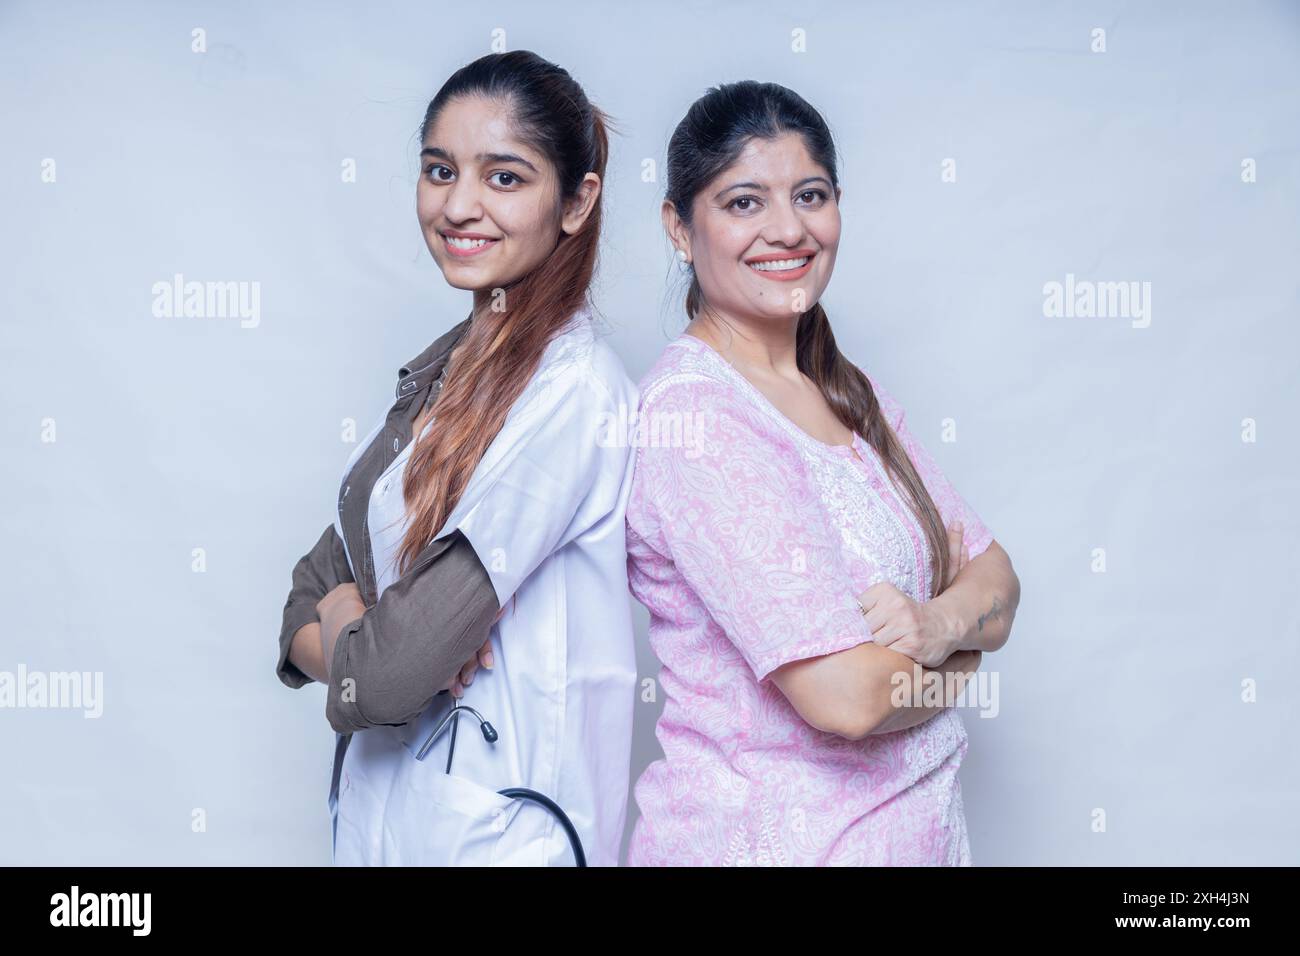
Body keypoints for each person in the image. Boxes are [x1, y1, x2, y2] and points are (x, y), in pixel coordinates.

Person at [624, 80, 1022, 865]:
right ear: (679, 226)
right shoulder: (698, 418)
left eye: (810, 195)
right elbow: (848, 699)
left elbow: (998, 580)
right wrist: (967, 659)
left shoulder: (845, 389)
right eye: (743, 202)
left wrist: (938, 626)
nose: (787, 229)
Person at [275, 50, 637, 866]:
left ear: (577, 202)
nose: (460, 205)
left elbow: (391, 676)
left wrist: (352, 632)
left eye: (504, 178)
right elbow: (304, 593)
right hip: (388, 828)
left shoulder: (571, 396)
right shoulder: (435, 375)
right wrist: (350, 628)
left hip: (502, 840)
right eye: (441, 170)